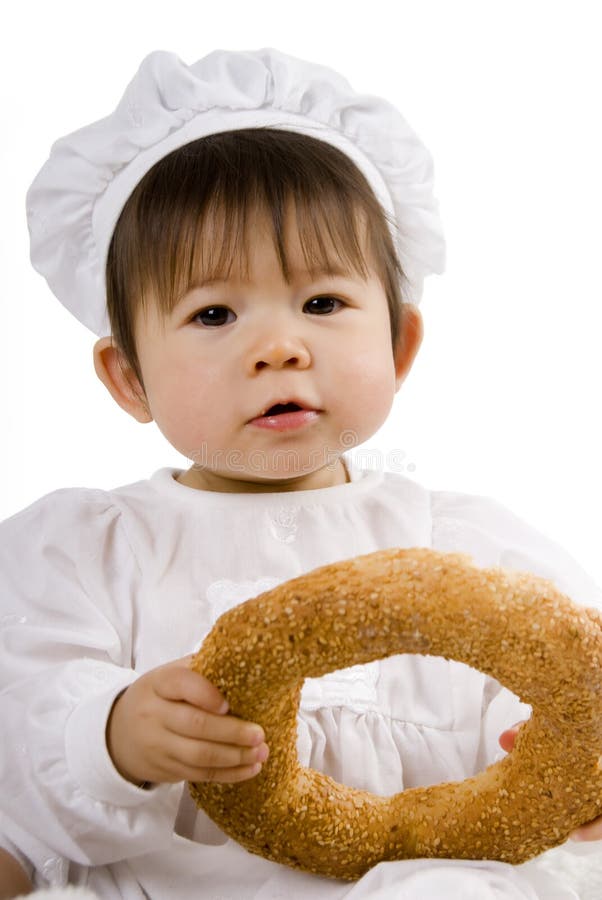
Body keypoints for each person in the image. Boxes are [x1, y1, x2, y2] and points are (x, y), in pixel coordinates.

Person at [1, 48, 601, 900]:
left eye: (322, 303)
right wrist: (113, 734)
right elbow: (22, 743)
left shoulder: (467, 544)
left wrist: (583, 773)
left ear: (399, 348)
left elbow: (559, 695)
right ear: (128, 378)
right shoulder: (91, 553)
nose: (280, 346)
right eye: (213, 312)